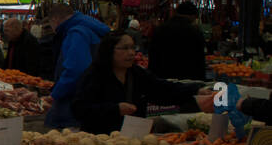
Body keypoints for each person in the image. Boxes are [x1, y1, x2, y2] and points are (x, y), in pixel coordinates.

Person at [72, 32, 207, 135]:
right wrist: (115, 109)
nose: (131, 53)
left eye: (132, 48)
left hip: (133, 137)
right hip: (100, 140)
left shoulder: (136, 73)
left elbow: (162, 89)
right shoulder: (94, 75)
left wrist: (196, 91)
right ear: (109, 51)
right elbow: (79, 109)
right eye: (124, 48)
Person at [45, 2, 109, 128]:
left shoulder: (77, 33)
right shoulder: (89, 29)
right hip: (89, 100)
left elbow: (76, 70)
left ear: (55, 19)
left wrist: (55, 95)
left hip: (73, 105)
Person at [147, 2, 207, 80]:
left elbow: (152, 56)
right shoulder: (195, 32)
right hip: (187, 80)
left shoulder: (160, 29)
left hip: (162, 79)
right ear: (193, 16)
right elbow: (200, 61)